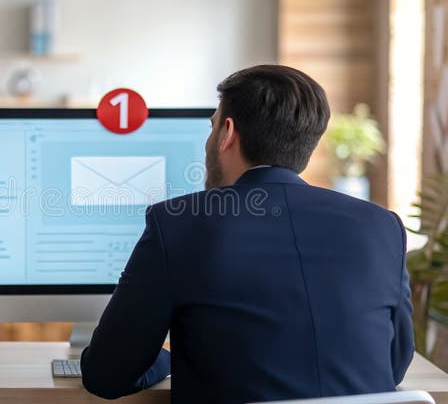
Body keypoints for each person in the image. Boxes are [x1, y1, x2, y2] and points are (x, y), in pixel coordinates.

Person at [80, 65, 414, 404]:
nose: (208, 141)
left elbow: (107, 375)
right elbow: (394, 365)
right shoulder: (382, 227)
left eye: (212, 127)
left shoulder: (178, 223)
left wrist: (168, 360)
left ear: (227, 133)